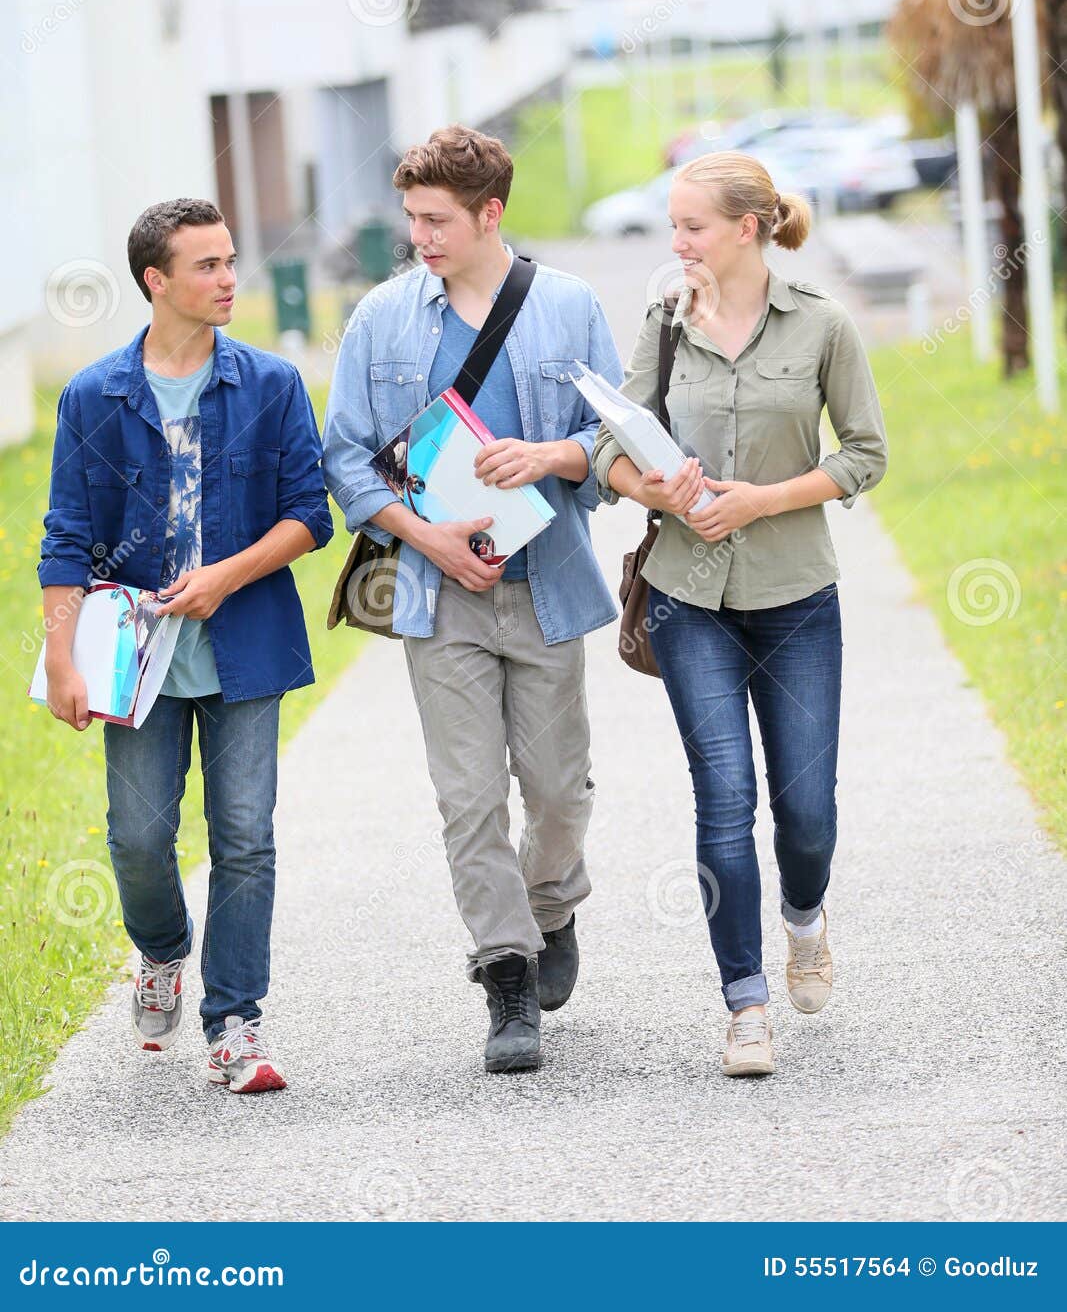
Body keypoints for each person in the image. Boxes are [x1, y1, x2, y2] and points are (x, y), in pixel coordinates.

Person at [323, 125, 623, 1075]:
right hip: (435, 595)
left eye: (436, 220)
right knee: (468, 799)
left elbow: (617, 444)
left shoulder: (568, 306)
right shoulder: (380, 317)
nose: (419, 236)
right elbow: (345, 457)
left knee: (558, 790)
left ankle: (549, 905)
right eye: (411, 217)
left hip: (546, 588)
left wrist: (554, 455)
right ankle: (506, 978)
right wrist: (429, 540)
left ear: (490, 213)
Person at [592, 152, 888, 1078]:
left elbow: (864, 454)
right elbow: (604, 448)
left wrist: (761, 500)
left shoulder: (821, 325)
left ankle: (804, 918)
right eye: (674, 226)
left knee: (806, 813)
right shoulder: (664, 324)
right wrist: (654, 488)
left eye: (692, 226)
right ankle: (744, 1005)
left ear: (746, 228)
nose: (677, 242)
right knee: (722, 799)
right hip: (688, 600)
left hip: (796, 597)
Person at [38, 199, 333, 1093]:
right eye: (207, 266)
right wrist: (62, 658)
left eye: (231, 260)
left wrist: (224, 578)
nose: (229, 279)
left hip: (246, 646)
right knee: (138, 836)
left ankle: (235, 1023)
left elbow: (309, 516)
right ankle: (163, 950)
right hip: (137, 661)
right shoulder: (94, 395)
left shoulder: (272, 383)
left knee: (244, 836)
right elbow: (66, 535)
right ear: (155, 281)